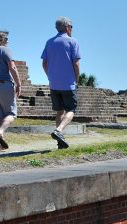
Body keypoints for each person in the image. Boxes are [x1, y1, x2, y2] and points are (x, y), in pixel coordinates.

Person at [41, 16, 81, 149]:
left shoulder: (49, 42)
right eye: (71, 27)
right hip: (68, 83)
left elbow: (44, 63)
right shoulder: (72, 41)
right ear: (67, 27)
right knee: (71, 109)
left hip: (54, 84)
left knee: (59, 111)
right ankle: (59, 130)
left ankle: (60, 142)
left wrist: (50, 76)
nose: (72, 29)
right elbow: (76, 63)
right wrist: (77, 79)